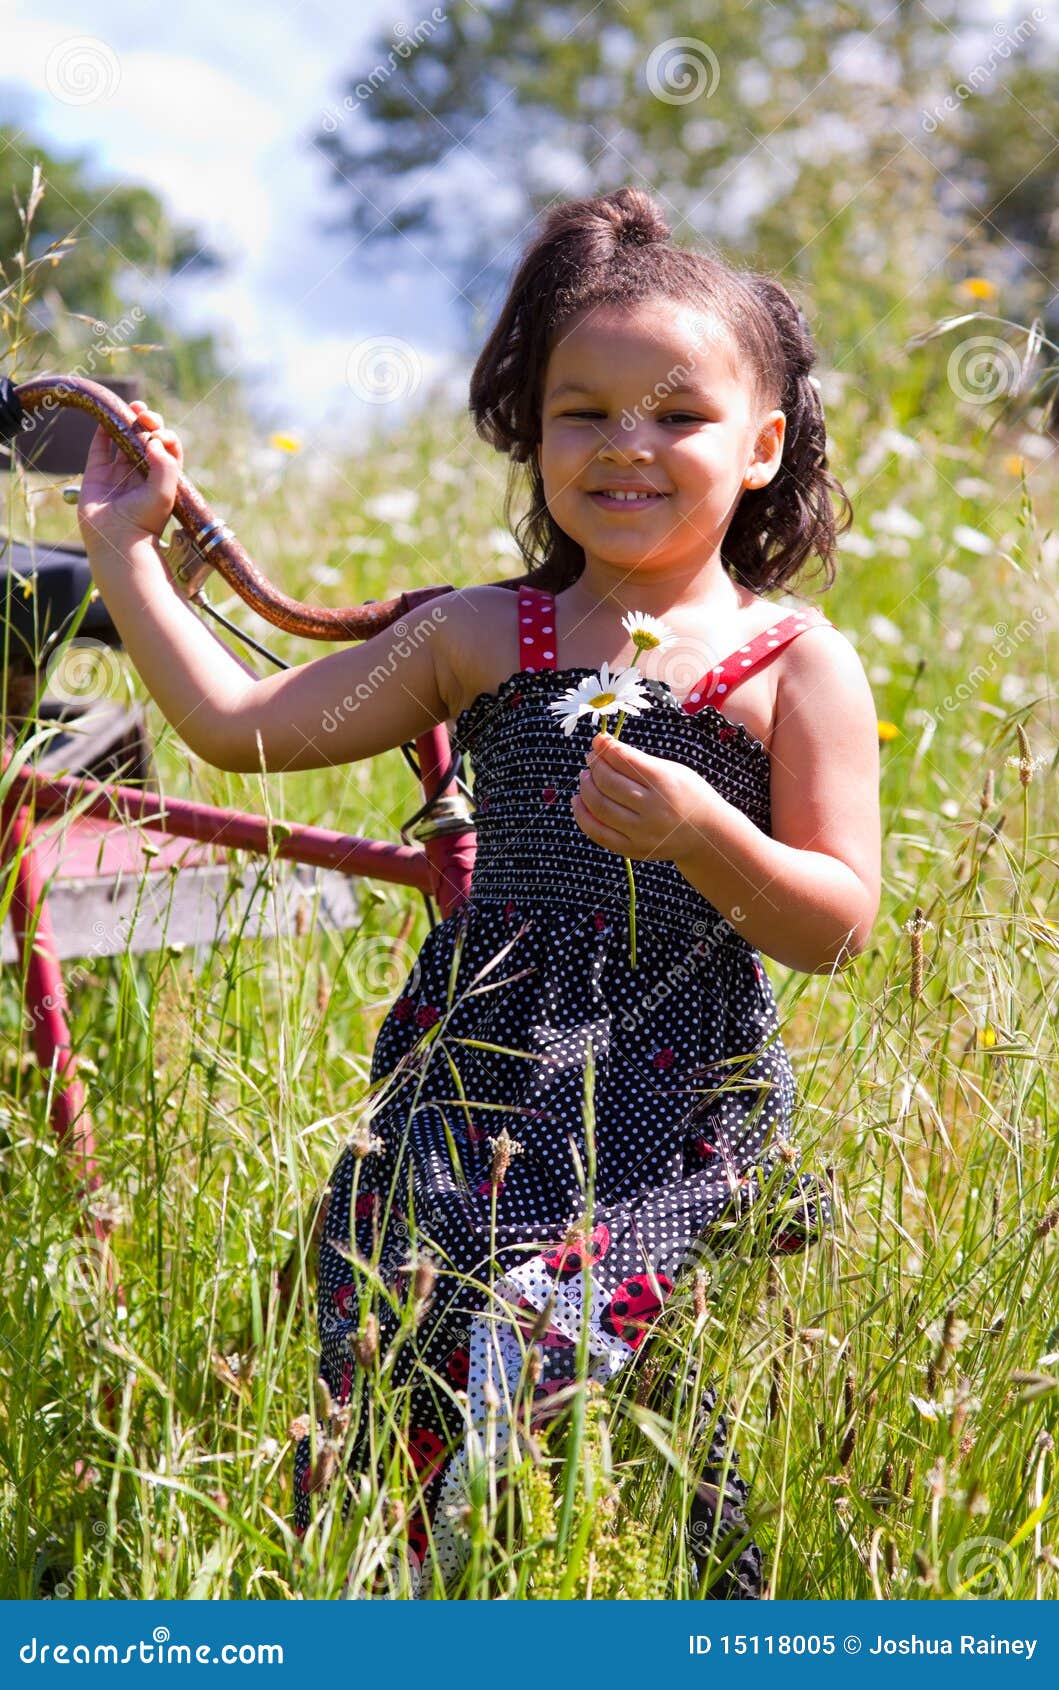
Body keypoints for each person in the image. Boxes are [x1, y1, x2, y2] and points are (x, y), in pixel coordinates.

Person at [77, 184, 881, 1601]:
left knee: (647, 1403)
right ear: (536, 434)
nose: (627, 444)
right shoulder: (480, 636)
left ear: (760, 447)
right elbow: (240, 729)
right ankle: (421, 1613)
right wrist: (127, 551)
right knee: (402, 1361)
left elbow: (832, 921)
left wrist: (703, 830)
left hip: (676, 1103)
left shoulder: (790, 664)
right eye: (584, 411)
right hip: (473, 1085)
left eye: (677, 416)